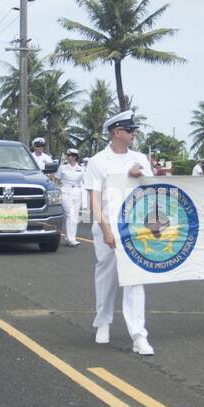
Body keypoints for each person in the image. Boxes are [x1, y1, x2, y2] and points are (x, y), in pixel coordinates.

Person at [84, 109, 154, 355]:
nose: (134, 133)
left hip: (135, 227)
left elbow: (152, 189)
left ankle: (138, 335)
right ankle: (103, 321)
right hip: (108, 224)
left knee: (135, 278)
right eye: (130, 130)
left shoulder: (140, 158)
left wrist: (137, 174)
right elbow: (94, 198)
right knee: (107, 275)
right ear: (117, 132)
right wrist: (105, 228)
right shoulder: (97, 161)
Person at [59, 147, 85, 246]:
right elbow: (56, 179)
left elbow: (83, 181)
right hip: (65, 191)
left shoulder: (81, 169)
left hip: (77, 192)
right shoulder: (62, 167)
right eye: (67, 155)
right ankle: (70, 239)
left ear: (74, 157)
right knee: (70, 214)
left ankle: (69, 237)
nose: (67, 157)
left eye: (69, 155)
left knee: (74, 215)